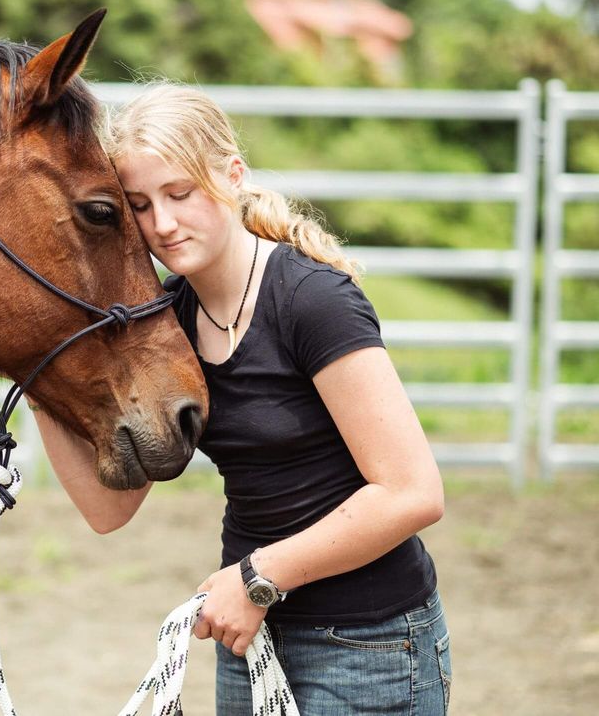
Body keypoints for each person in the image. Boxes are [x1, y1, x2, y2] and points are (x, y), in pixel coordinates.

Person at [31, 83, 452, 714]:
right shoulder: (167, 321)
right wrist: (35, 375)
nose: (163, 224)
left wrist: (257, 579)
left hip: (370, 644)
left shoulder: (311, 300)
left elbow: (413, 493)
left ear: (232, 175)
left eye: (180, 193)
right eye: (141, 205)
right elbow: (108, 509)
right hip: (251, 639)